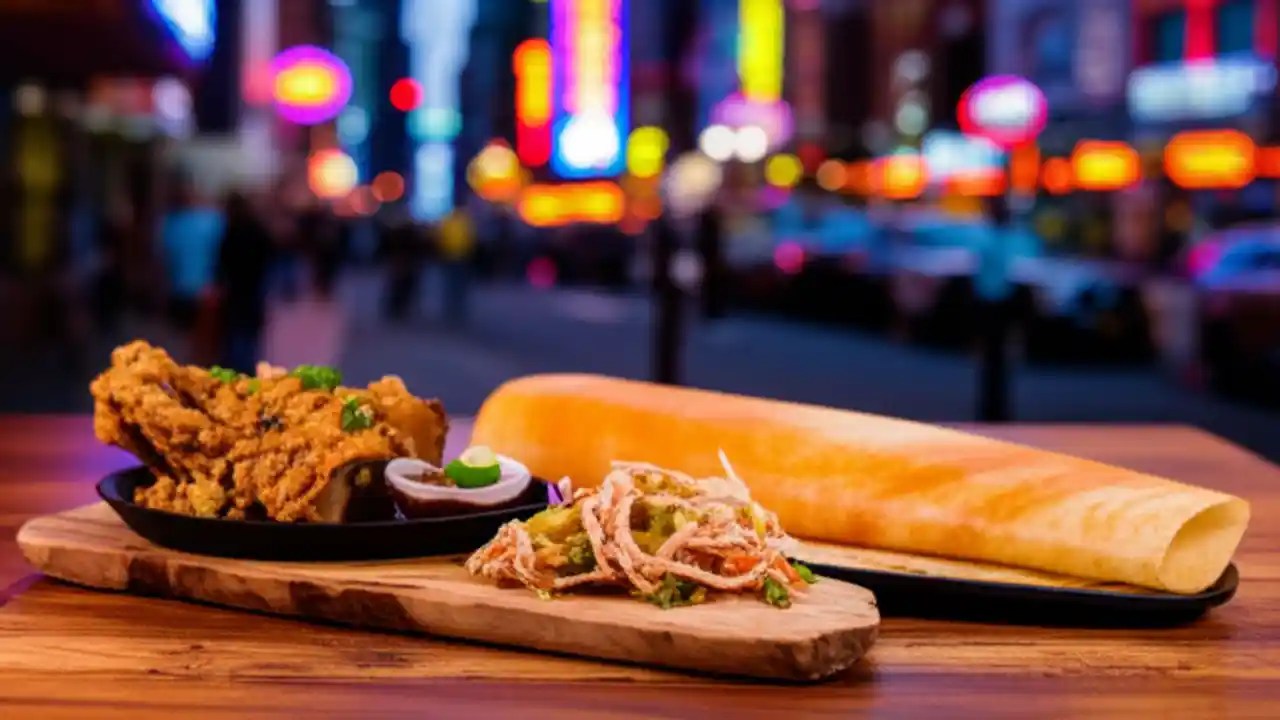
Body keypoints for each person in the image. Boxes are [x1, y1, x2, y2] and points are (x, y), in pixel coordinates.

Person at [215, 192, 274, 373]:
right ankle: (247, 368)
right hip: (253, 289)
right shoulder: (257, 230)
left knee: (236, 333)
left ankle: (237, 369)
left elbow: (222, 261)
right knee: (248, 335)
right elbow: (267, 256)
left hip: (236, 291)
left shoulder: (231, 231)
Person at [157, 181, 223, 331]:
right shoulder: (214, 221)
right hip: (204, 290)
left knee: (178, 329)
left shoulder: (171, 222)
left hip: (178, 287)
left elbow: (164, 255)